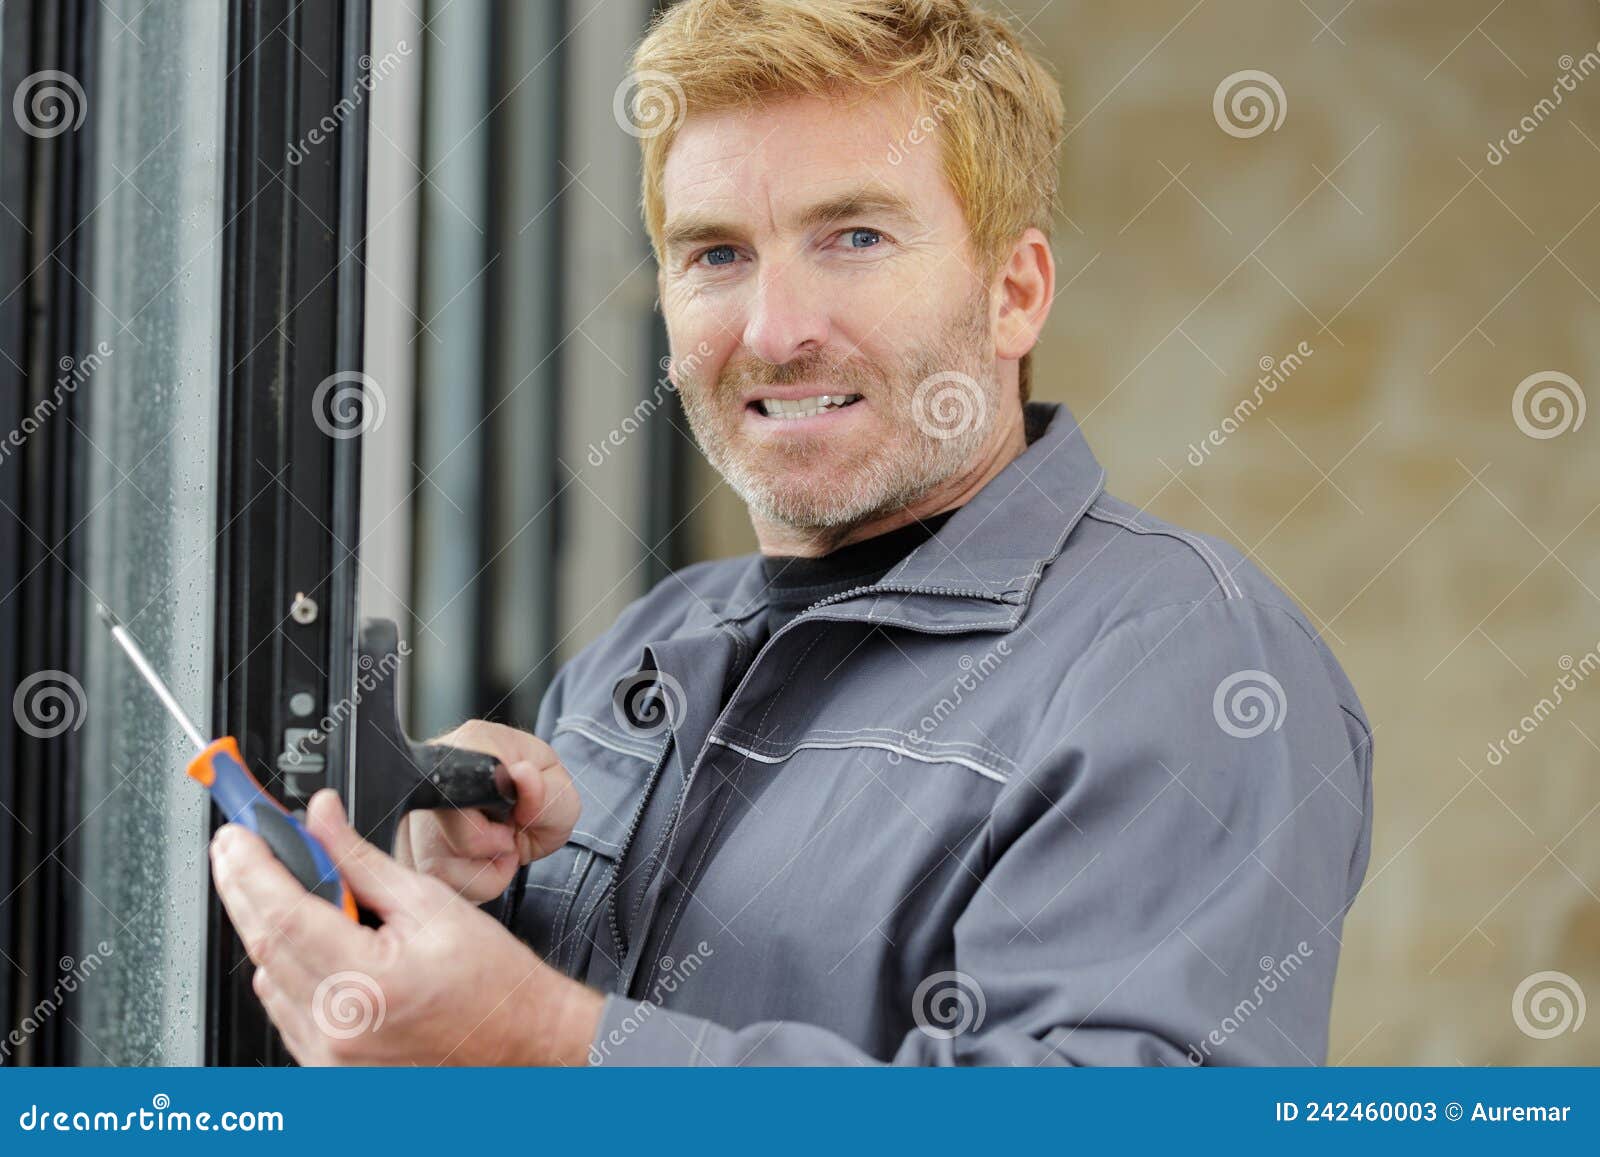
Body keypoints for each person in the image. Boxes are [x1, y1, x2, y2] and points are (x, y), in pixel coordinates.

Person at [209, 0, 1373, 1066]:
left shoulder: (1182, 662)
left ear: (1015, 292)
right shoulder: (642, 650)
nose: (773, 330)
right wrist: (460, 910)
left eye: (854, 236)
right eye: (715, 253)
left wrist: (549, 1043)